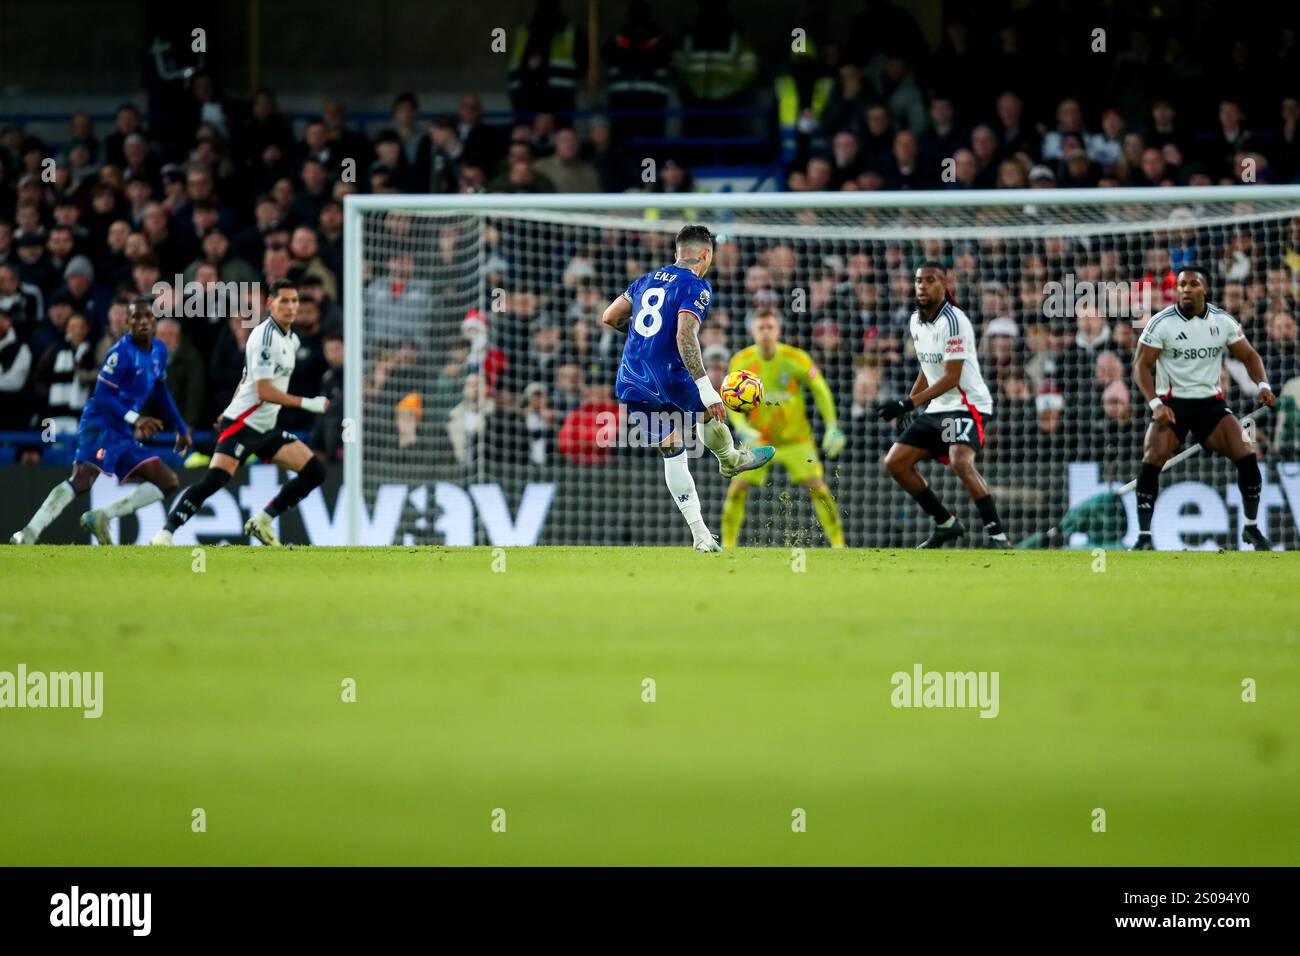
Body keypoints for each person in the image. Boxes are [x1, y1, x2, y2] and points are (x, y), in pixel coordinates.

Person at [599, 224, 773, 551]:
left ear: (676, 253)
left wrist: (643, 338)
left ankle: (701, 536)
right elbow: (684, 335)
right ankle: (730, 459)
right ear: (705, 255)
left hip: (632, 380)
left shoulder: (645, 280)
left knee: (673, 453)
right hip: (670, 376)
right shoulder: (697, 286)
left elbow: (609, 317)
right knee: (709, 413)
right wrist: (707, 390)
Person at [151, 279, 329, 547]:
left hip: (265, 427)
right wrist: (308, 403)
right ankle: (164, 533)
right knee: (215, 479)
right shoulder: (264, 337)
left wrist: (228, 407)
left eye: (295, 301)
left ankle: (264, 520)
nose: (291, 307)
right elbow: (265, 390)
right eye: (284, 301)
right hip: (244, 424)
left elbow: (246, 378)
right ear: (271, 304)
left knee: (315, 471)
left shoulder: (291, 339)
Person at [11, 297, 190, 545]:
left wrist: (181, 427)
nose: (142, 322)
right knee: (82, 478)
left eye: (147, 316)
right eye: (135, 318)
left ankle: (102, 516)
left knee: (168, 481)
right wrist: (136, 418)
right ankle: (29, 532)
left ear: (154, 320)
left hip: (124, 430)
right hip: (101, 422)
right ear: (127, 322)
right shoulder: (119, 354)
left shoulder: (159, 350)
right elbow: (103, 396)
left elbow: (160, 389)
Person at [1131, 266, 1276, 550]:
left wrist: (1263, 386)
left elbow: (1249, 356)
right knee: (1152, 458)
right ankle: (1144, 537)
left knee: (1247, 455)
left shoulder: (1222, 322)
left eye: (1192, 284)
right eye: (1181, 285)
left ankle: (1250, 528)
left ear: (1204, 289)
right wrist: (1155, 403)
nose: (1185, 289)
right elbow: (1140, 366)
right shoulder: (1161, 323)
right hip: (1172, 405)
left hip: (1211, 404)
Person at [876, 262, 1009, 548]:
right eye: (918, 280)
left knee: (960, 460)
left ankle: (998, 536)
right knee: (895, 462)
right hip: (937, 406)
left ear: (945, 285)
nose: (922, 285)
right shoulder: (915, 321)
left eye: (930, 280)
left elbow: (951, 377)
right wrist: (911, 406)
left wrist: (907, 402)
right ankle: (946, 523)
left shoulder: (955, 320)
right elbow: (928, 366)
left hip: (966, 403)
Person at [720, 308, 846, 548]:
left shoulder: (796, 358)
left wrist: (832, 426)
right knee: (737, 489)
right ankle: (727, 544)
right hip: (759, 440)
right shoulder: (741, 361)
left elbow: (820, 390)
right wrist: (740, 427)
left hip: (796, 440)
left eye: (770, 327)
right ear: (752, 331)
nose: (766, 333)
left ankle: (838, 543)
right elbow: (730, 400)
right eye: (761, 328)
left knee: (818, 489)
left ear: (778, 330)